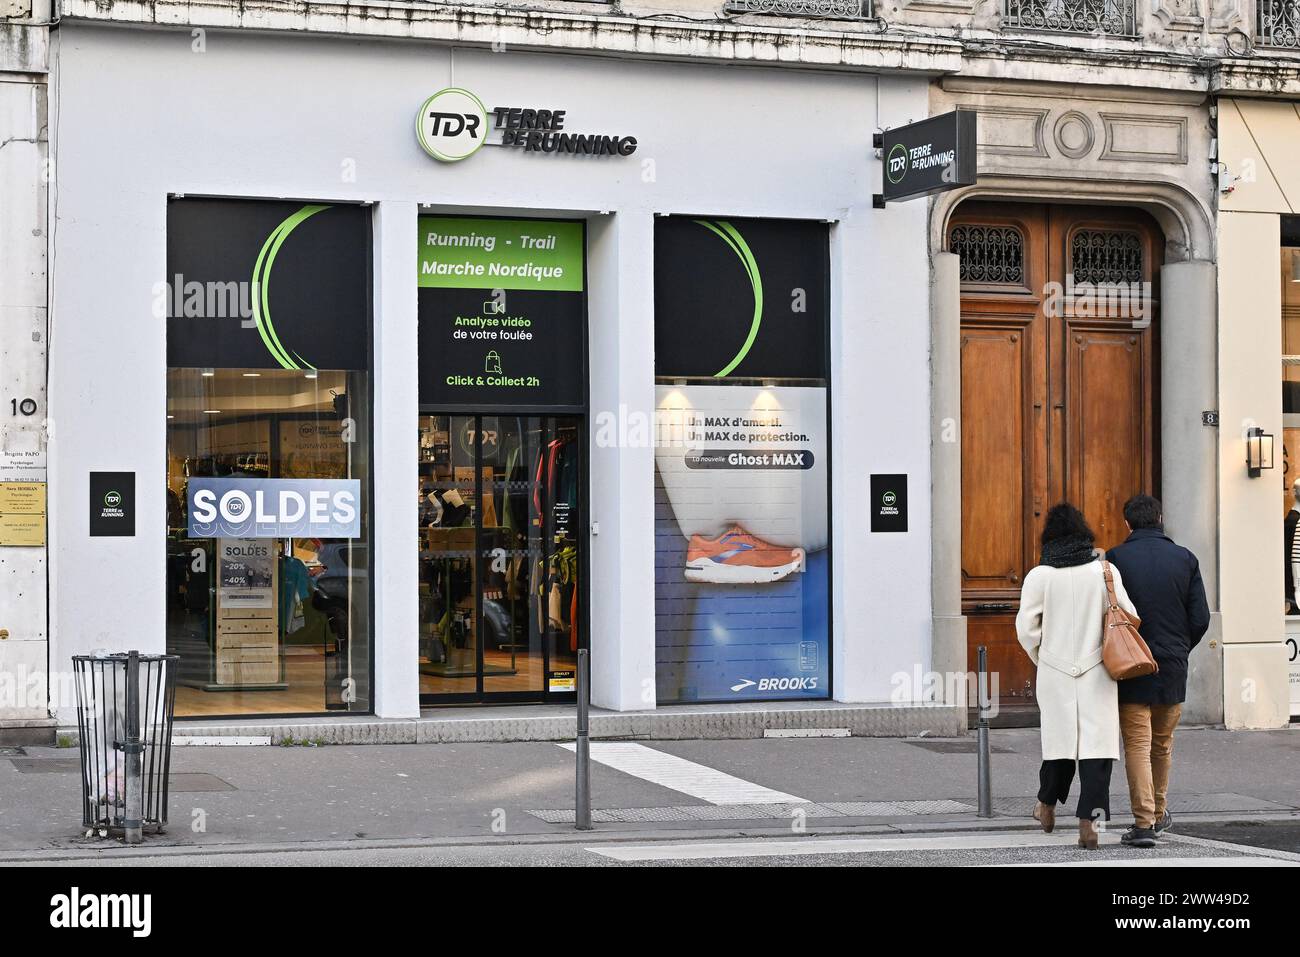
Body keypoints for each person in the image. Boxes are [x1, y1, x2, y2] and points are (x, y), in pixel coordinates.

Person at [1016, 502, 1138, 850]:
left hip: (1055, 672)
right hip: (1097, 670)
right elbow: (1127, 614)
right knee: (1097, 750)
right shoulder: (1104, 572)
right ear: (1084, 533)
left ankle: (1046, 804)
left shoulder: (1039, 576)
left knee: (1059, 745)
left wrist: (1044, 658)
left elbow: (1026, 629)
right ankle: (1091, 822)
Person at [1106, 494, 1210, 848]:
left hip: (1131, 663)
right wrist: (1179, 648)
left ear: (1127, 523)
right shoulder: (1186, 558)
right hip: (1172, 664)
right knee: (1162, 744)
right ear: (1160, 518)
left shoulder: (1116, 559)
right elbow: (1200, 618)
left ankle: (1144, 822)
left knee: (1137, 743)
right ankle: (1158, 812)